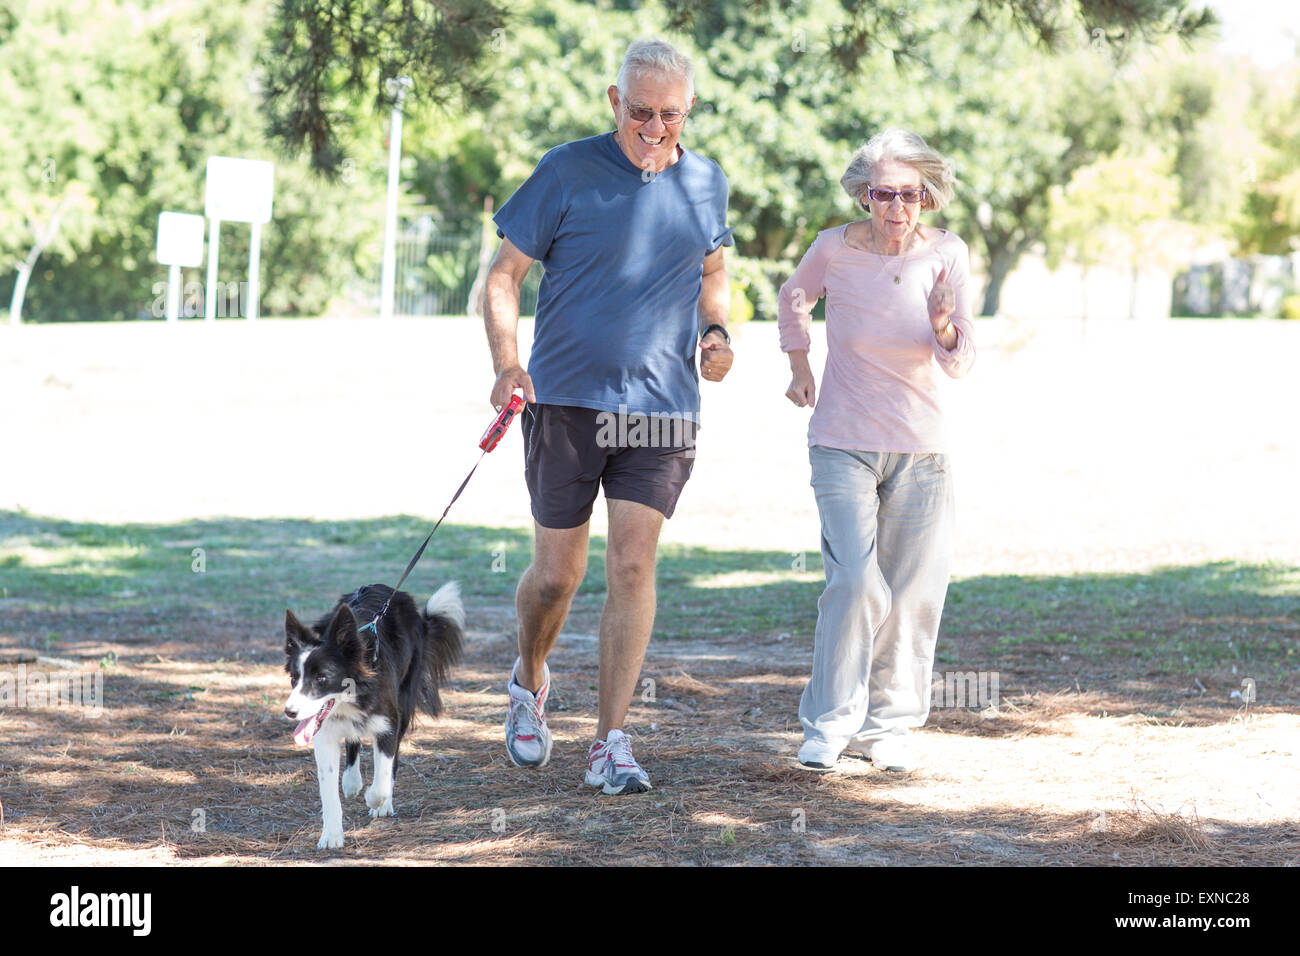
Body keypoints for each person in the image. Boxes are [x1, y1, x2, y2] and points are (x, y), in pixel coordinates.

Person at [483, 38, 734, 794]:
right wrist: (506, 365)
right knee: (557, 578)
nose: (655, 129)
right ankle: (528, 683)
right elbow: (502, 277)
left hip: (660, 410)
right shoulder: (566, 170)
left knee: (632, 562)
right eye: (641, 112)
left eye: (671, 115)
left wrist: (715, 332)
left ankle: (610, 741)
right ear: (613, 103)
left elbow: (713, 267)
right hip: (563, 401)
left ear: (687, 110)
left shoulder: (707, 181)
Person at [778, 128, 975, 773]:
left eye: (910, 195)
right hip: (841, 441)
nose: (897, 208)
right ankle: (828, 724)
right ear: (865, 195)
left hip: (923, 448)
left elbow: (961, 360)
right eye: (884, 194)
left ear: (928, 196)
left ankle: (888, 725)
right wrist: (800, 363)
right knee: (856, 583)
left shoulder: (948, 255)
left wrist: (945, 324)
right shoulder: (834, 249)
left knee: (916, 589)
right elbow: (794, 297)